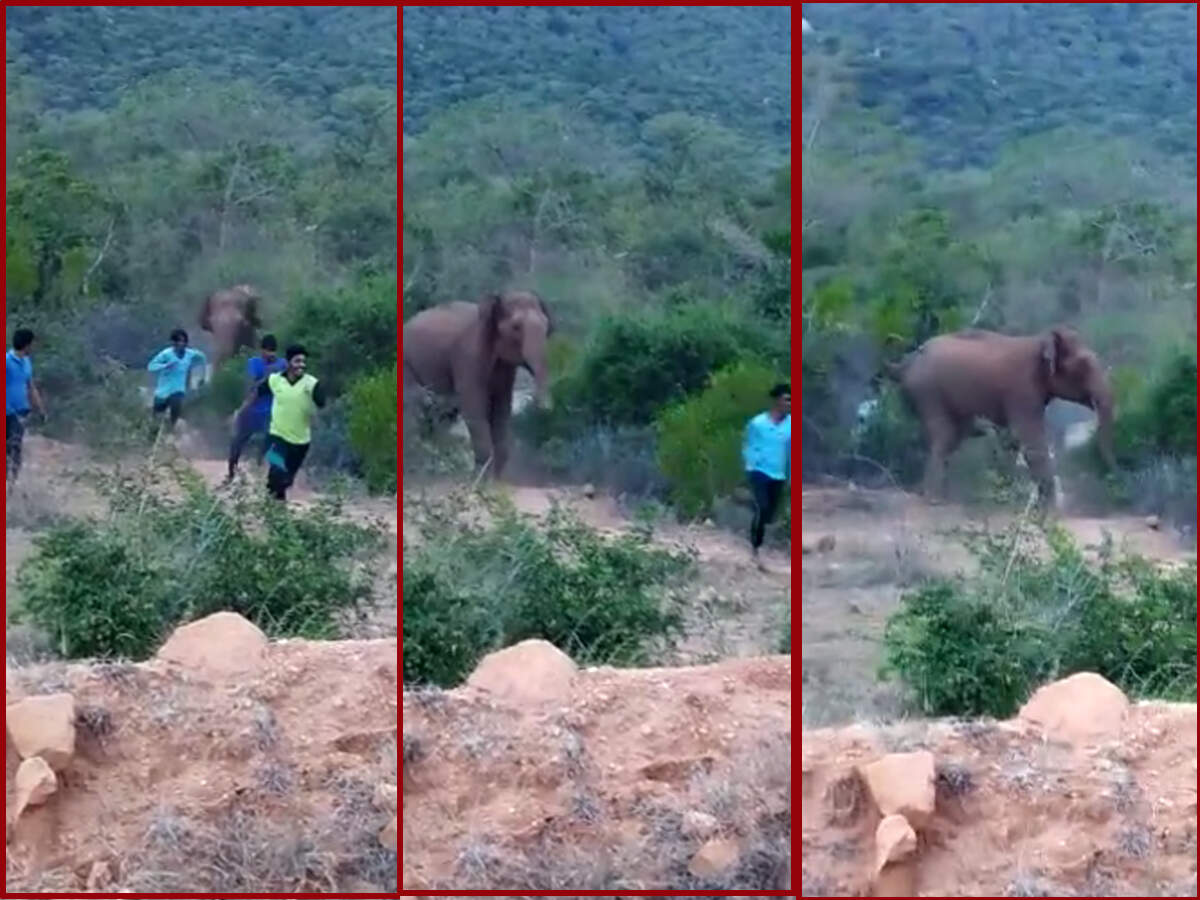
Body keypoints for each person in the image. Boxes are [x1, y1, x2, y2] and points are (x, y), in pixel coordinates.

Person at [235, 344, 326, 501]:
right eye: (297, 361)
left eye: (303, 362)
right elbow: (256, 393)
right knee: (277, 470)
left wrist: (317, 407)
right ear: (288, 362)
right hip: (276, 436)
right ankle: (272, 504)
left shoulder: (311, 384)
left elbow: (321, 403)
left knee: (285, 481)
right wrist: (241, 411)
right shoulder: (275, 380)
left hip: (300, 442)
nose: (301, 365)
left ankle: (276, 505)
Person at [742, 382, 791, 570]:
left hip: (778, 474)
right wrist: (750, 467)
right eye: (787, 399)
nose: (790, 404)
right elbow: (748, 445)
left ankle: (749, 506)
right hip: (759, 471)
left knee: (769, 514)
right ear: (777, 400)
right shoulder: (758, 424)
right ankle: (756, 550)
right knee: (762, 508)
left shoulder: (791, 424)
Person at [224, 334, 286, 482]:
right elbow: (250, 387)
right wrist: (267, 377)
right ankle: (231, 474)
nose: (270, 354)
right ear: (262, 350)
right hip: (252, 410)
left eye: (272, 350)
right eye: (267, 350)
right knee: (237, 442)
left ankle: (279, 476)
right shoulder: (254, 363)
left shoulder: (283, 364)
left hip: (272, 412)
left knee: (270, 448)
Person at [6, 329, 47, 493]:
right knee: (9, 447)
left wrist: (40, 408)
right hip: (6, 412)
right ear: (27, 344)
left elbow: (31, 387)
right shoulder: (6, 361)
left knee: (15, 447)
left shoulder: (27, 362)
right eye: (33, 343)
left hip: (21, 412)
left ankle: (11, 486)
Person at [147, 329, 209, 432]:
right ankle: (154, 434)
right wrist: (165, 366)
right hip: (163, 391)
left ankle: (172, 430)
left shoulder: (190, 354)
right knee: (156, 417)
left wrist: (203, 375)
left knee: (176, 408)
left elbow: (202, 357)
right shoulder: (166, 354)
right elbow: (151, 366)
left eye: (183, 341)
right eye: (178, 342)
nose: (181, 344)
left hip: (178, 390)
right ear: (173, 343)